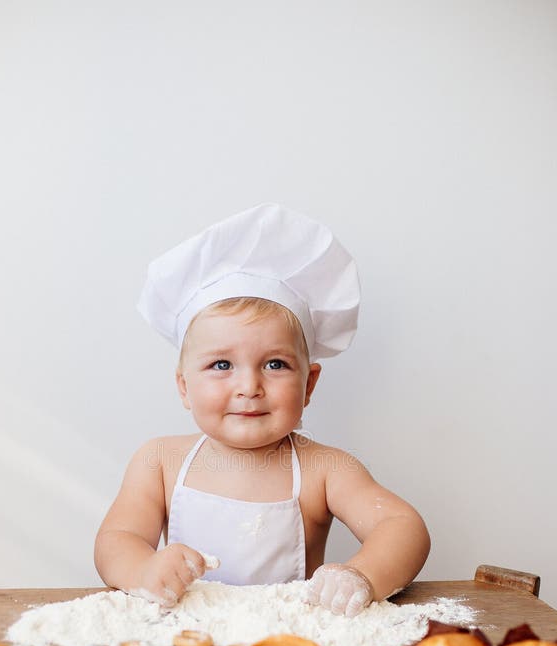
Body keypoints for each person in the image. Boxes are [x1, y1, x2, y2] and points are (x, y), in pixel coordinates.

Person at [95, 203, 430, 617]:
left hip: (288, 644)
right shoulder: (159, 462)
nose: (249, 387)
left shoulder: (325, 469)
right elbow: (116, 540)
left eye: (275, 364)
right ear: (184, 386)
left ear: (308, 385)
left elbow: (403, 527)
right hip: (187, 643)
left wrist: (361, 575)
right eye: (221, 365)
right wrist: (144, 569)